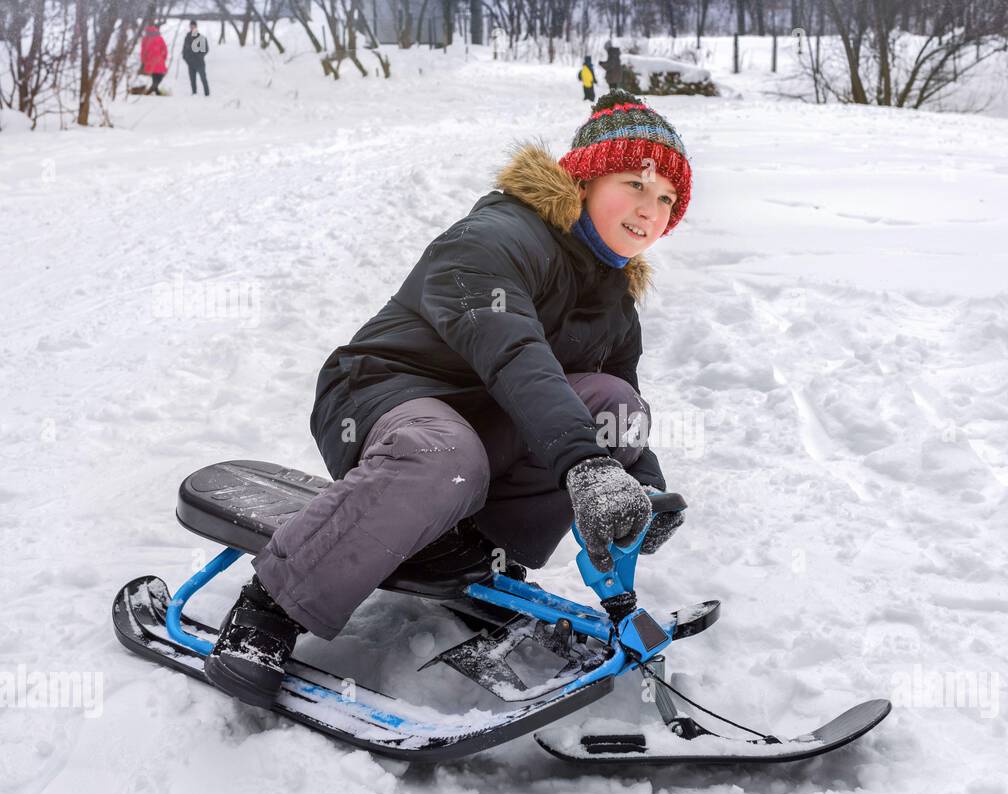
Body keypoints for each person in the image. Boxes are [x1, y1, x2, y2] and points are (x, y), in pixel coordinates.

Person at [204, 91, 695, 709]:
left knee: (613, 402)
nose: (651, 211)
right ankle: (274, 604)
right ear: (587, 177)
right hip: (384, 397)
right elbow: (516, 354)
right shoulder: (499, 236)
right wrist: (584, 465)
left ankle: (467, 549)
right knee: (444, 453)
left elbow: (619, 407)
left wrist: (642, 488)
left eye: (667, 200)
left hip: (485, 423)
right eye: (636, 184)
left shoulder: (614, 300)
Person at [181, 20, 210, 96]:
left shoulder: (201, 37)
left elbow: (206, 49)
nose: (192, 28)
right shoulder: (187, 37)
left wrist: (200, 56)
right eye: (191, 26)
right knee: (192, 80)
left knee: (203, 79)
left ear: (196, 27)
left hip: (200, 63)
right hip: (190, 63)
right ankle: (194, 93)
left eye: (193, 26)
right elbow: (184, 50)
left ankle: (207, 94)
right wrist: (186, 58)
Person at [140, 23, 168, 95]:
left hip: (150, 60)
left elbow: (143, 51)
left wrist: (143, 60)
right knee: (160, 74)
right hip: (159, 60)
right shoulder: (159, 37)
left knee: (155, 75)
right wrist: (164, 57)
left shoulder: (145, 38)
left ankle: (154, 88)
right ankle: (154, 88)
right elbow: (164, 49)